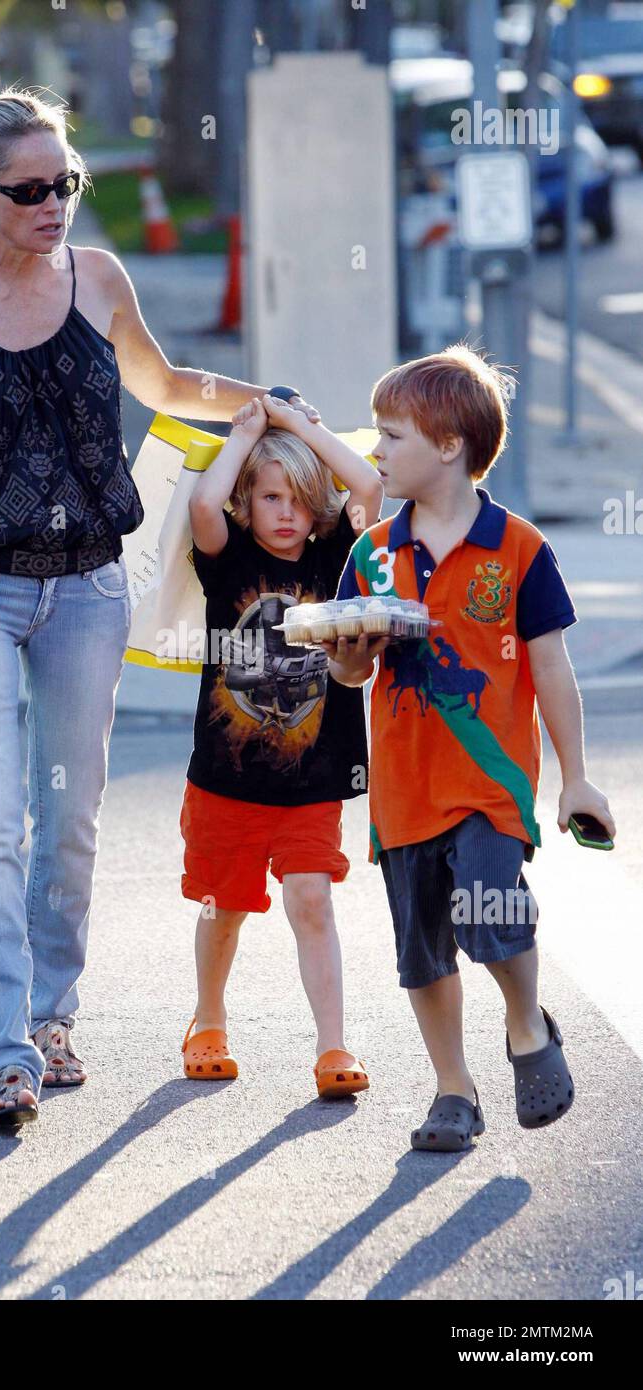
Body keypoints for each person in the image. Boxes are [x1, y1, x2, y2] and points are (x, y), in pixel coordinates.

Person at [0, 87, 322, 1128]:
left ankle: (52, 1016)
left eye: (66, 184)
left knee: (68, 818)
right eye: (30, 191)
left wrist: (260, 401)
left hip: (87, 583)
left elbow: (163, 382)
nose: (55, 206)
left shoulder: (99, 277)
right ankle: (4, 1056)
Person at [328, 343, 616, 1150]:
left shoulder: (519, 548)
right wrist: (350, 656)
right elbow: (351, 671)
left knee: (492, 911)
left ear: (448, 446)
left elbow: (552, 667)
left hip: (491, 784)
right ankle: (454, 1091)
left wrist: (577, 780)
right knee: (422, 953)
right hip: (403, 790)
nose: (376, 450)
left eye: (391, 436)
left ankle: (526, 1025)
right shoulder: (371, 553)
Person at [180, 392, 383, 1097]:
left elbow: (368, 485)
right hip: (227, 780)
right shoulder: (227, 558)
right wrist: (243, 433)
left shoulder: (335, 557)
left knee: (311, 901)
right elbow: (205, 506)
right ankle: (208, 1017)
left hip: (311, 780)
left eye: (299, 498)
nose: (287, 512)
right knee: (223, 909)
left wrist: (301, 425)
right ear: (249, 502)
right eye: (271, 497)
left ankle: (333, 1046)